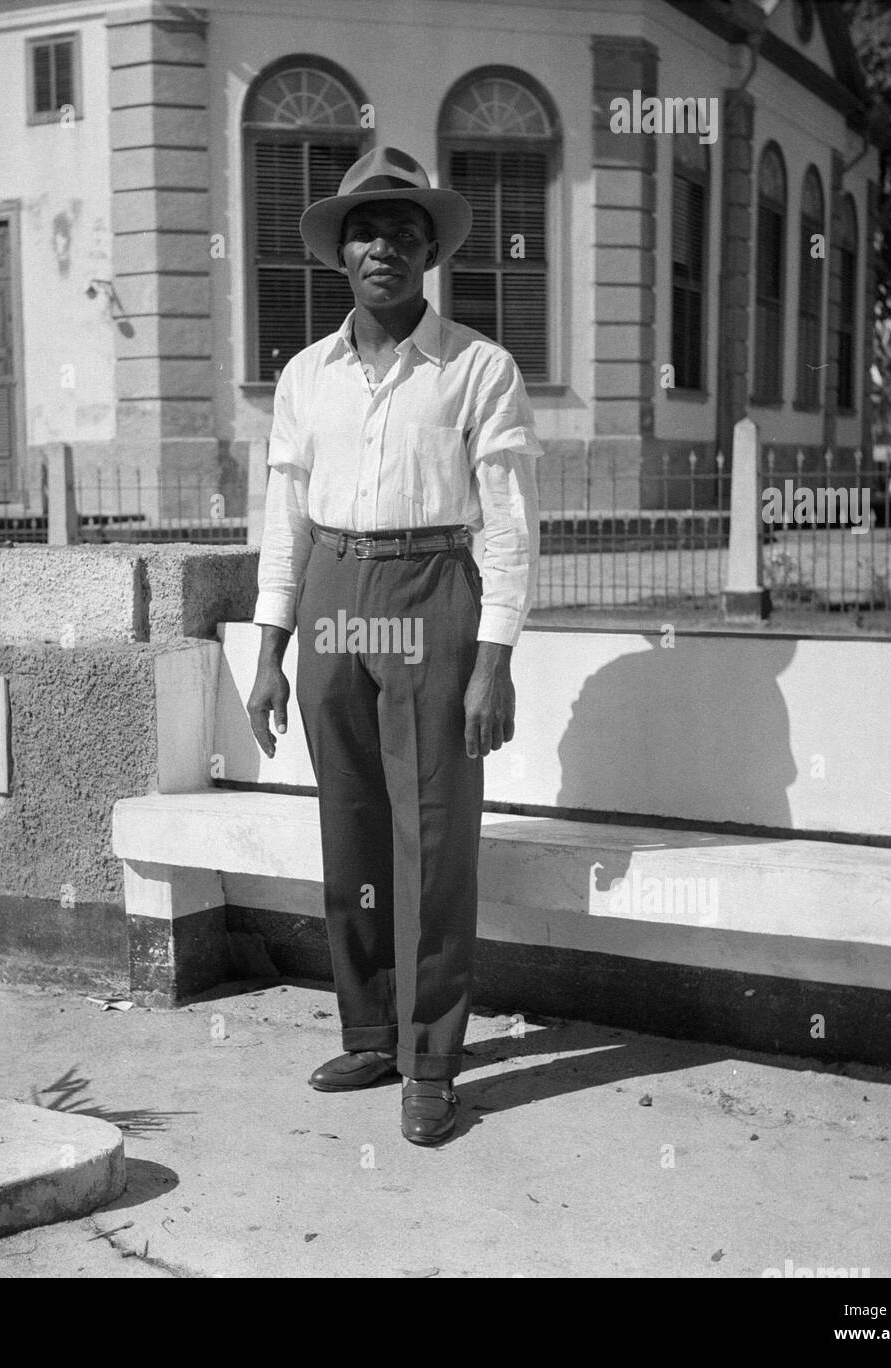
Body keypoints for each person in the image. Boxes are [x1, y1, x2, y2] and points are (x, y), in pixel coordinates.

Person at [247, 146, 541, 1145]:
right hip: (333, 587)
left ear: (428, 251)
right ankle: (369, 1029)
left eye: (405, 230)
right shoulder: (304, 375)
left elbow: (505, 524)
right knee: (352, 822)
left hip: (430, 592)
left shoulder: (478, 368)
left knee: (433, 836)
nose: (384, 245)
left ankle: (433, 1062)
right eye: (366, 229)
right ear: (340, 251)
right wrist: (268, 645)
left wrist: (491, 661)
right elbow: (281, 517)